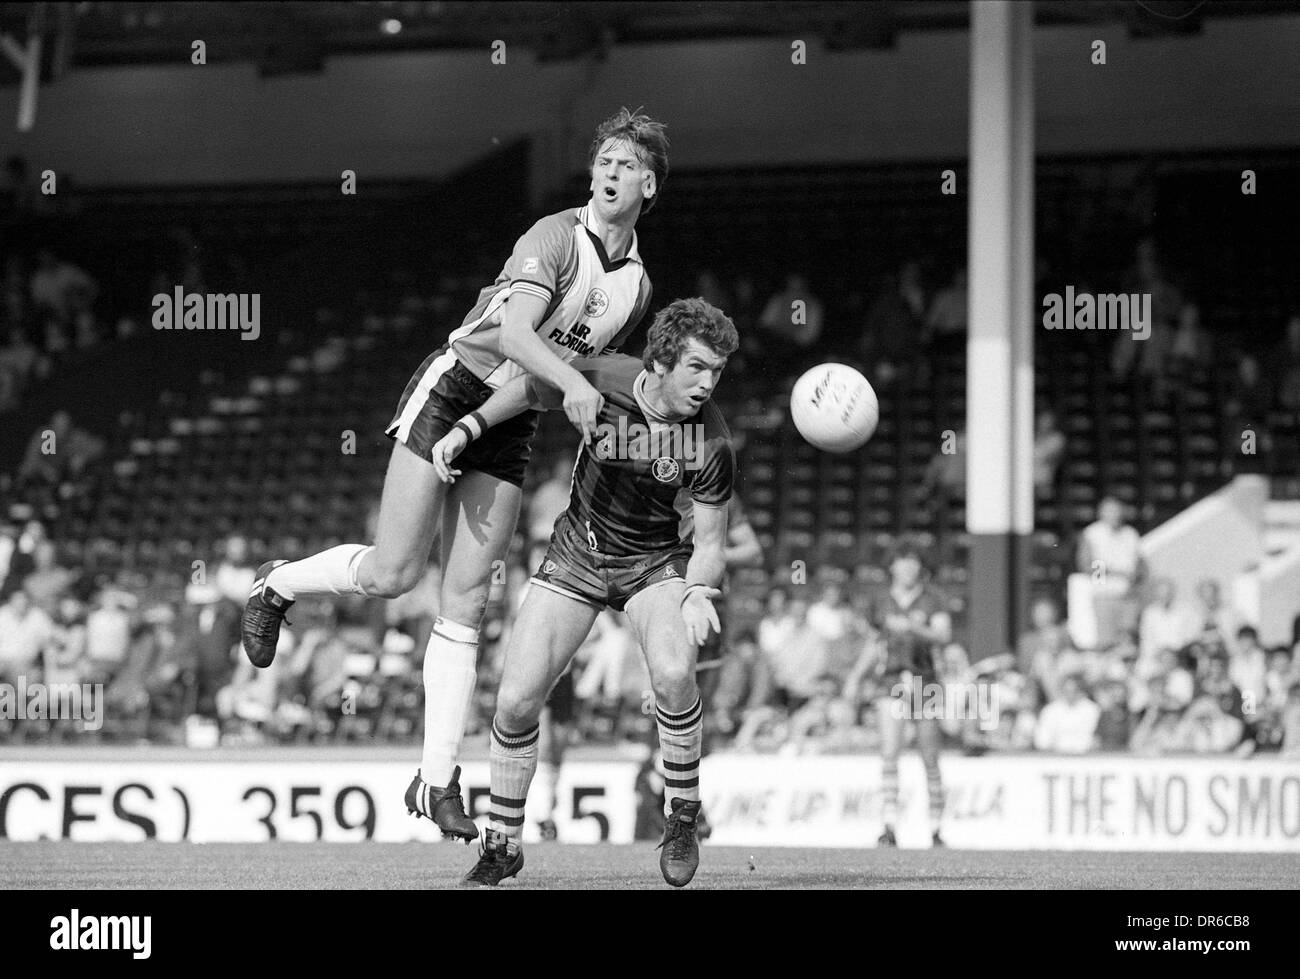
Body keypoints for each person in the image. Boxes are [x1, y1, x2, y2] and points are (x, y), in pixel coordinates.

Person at [240, 109, 667, 841]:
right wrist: (561, 386)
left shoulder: (637, 286)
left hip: (508, 414)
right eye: (603, 160)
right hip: (455, 386)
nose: (609, 171)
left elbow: (541, 377)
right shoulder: (553, 238)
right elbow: (513, 334)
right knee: (393, 573)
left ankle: (436, 778)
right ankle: (277, 583)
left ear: (649, 184)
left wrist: (512, 415)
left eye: (626, 164)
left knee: (467, 598)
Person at [430, 297, 738, 887]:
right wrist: (468, 427)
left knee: (675, 675)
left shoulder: (713, 441)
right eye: (697, 367)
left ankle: (681, 817)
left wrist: (700, 591)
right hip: (577, 553)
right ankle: (503, 846)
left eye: (717, 371)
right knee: (516, 700)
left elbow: (712, 541)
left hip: (654, 565)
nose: (708, 384)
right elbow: (526, 389)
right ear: (664, 360)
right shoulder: (600, 376)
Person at [854, 542, 952, 848]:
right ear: (892, 567)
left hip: (925, 681)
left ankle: (936, 828)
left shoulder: (932, 599)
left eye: (913, 563)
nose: (908, 568)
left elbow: (943, 634)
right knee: (890, 752)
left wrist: (911, 627)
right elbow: (874, 643)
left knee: (930, 755)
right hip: (892, 680)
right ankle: (889, 825)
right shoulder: (881, 601)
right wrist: (855, 677)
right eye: (902, 562)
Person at [1077, 495, 1144, 649]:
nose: (1114, 514)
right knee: (1107, 643)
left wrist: (1135, 579)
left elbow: (1140, 564)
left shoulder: (1130, 533)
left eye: (1117, 511)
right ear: (1101, 513)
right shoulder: (1092, 533)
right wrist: (1115, 573)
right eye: (1110, 511)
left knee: (1129, 642)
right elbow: (1086, 566)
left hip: (1129, 597)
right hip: (1105, 597)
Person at [1033, 674, 1100, 754]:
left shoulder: (1092, 709)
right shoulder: (1050, 710)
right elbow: (1042, 739)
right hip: (1054, 757)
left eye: (1074, 690)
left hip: (1086, 758)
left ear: (1081, 691)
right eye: (1067, 691)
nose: (1070, 694)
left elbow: (1091, 739)